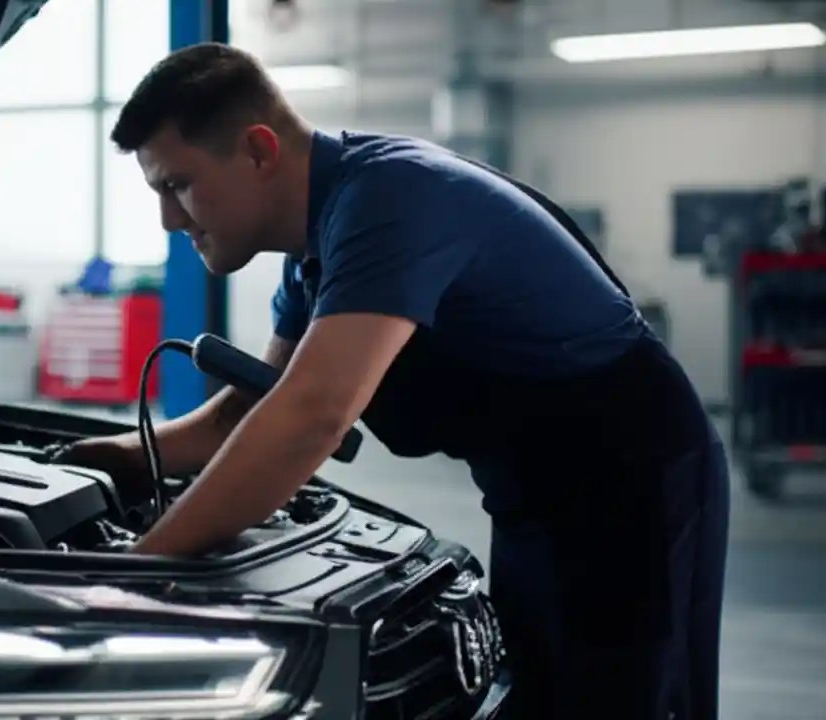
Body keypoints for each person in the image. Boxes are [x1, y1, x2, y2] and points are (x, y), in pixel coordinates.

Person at [52, 42, 729, 720]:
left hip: (634, 482)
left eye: (176, 185)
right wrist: (115, 458)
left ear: (258, 150)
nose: (169, 220)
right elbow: (247, 411)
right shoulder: (318, 244)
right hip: (539, 491)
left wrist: (140, 569)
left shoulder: (388, 199)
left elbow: (313, 417)